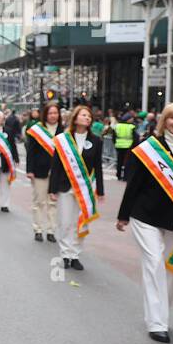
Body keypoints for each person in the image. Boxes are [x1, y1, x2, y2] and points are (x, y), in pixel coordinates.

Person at [116, 103, 173, 344]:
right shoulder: (147, 149)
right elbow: (132, 184)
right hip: (145, 215)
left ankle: (162, 315)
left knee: (169, 268)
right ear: (164, 121)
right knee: (154, 261)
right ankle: (157, 323)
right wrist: (123, 215)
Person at [48, 104, 104, 271]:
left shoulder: (96, 141)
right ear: (75, 118)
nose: (87, 118)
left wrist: (100, 190)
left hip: (85, 189)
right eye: (83, 115)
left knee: (81, 223)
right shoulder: (63, 139)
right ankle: (65, 253)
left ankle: (75, 255)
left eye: (89, 116)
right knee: (65, 222)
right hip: (65, 187)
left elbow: (98, 166)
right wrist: (52, 189)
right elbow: (56, 165)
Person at [25, 102, 61, 243]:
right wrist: (29, 170)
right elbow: (31, 152)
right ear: (45, 114)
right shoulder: (37, 130)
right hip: (40, 170)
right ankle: (38, 229)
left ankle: (51, 230)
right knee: (39, 201)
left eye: (55, 113)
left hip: (58, 172)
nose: (53, 116)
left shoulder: (64, 131)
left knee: (53, 202)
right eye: (50, 113)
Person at [113, 113, 137, 180]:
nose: (132, 119)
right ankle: (125, 177)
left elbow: (114, 137)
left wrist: (115, 144)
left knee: (119, 161)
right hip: (128, 146)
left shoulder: (117, 126)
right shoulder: (131, 127)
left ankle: (118, 175)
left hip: (119, 146)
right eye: (131, 118)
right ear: (128, 119)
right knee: (127, 162)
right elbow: (135, 138)